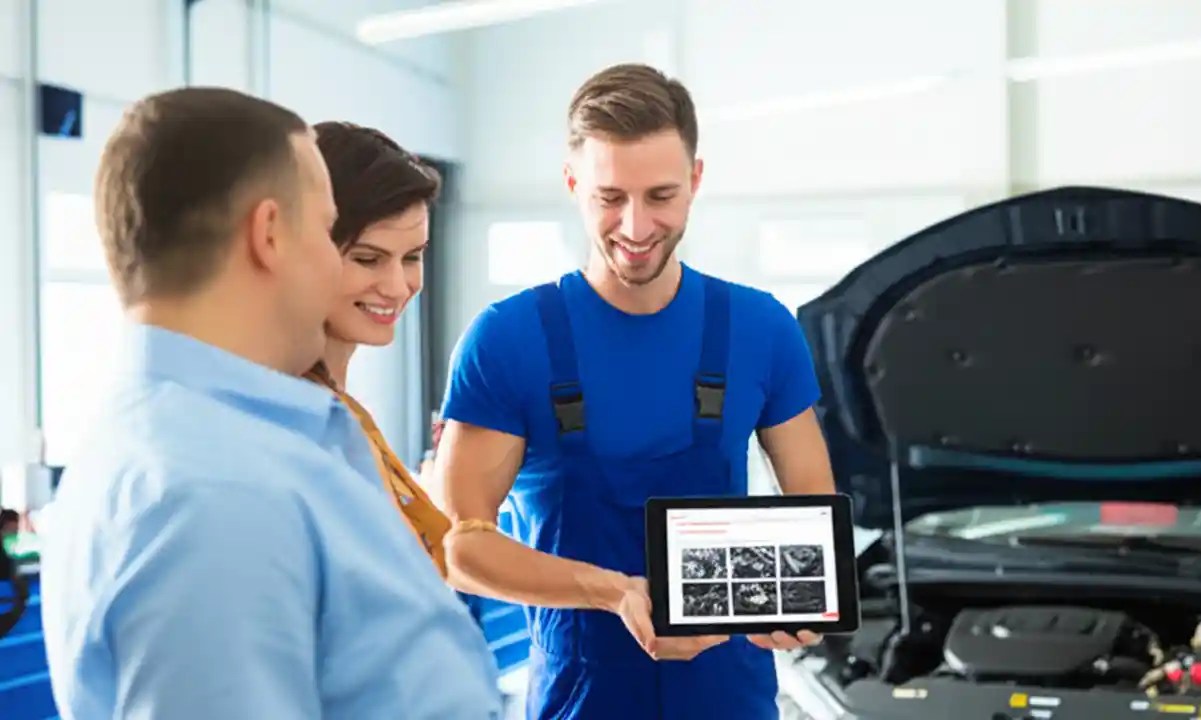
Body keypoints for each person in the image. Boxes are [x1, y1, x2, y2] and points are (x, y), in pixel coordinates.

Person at [38, 87, 501, 720]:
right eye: (326, 226)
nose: (390, 281)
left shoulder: (231, 447)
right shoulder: (213, 491)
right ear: (270, 234)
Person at [433, 63, 837, 719]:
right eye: (609, 197)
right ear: (571, 184)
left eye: (661, 195)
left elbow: (815, 511)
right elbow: (461, 549)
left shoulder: (761, 329)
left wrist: (803, 600)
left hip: (732, 701)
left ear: (696, 181)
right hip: (579, 701)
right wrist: (613, 591)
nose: (636, 225)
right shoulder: (506, 340)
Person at [303, 121, 453, 577]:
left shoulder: (342, 408)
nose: (396, 286)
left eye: (412, 257)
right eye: (367, 259)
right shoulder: (296, 416)